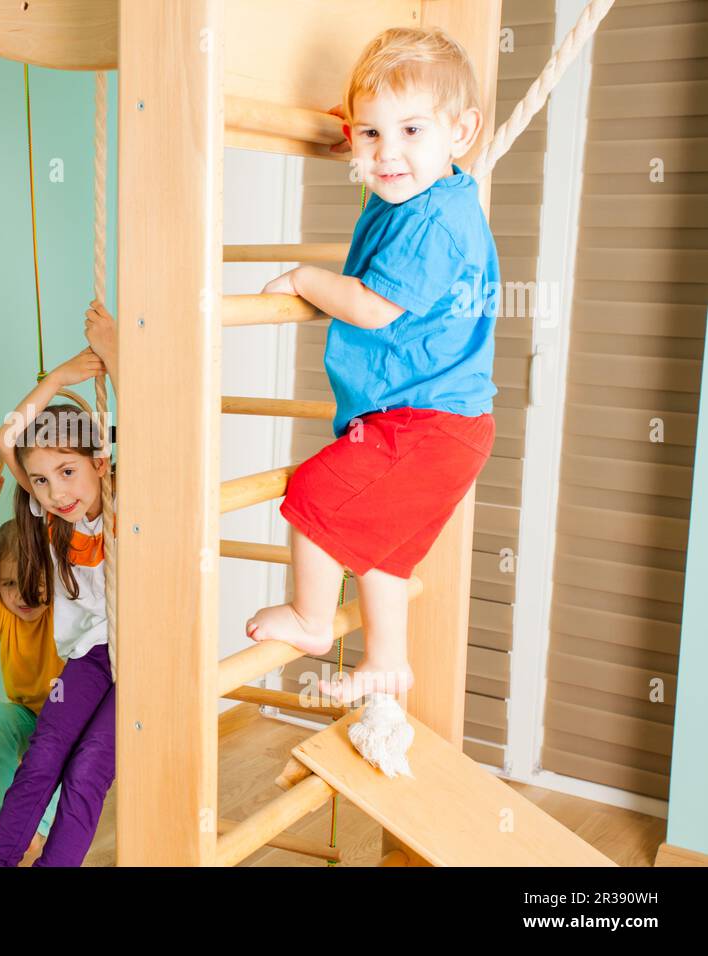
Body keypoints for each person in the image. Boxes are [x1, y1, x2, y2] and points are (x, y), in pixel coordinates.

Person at [245, 26, 499, 707]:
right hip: (444, 424)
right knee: (385, 551)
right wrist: (368, 141)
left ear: (462, 131)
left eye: (412, 130)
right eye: (370, 135)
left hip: (427, 425)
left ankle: (310, 619)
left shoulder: (435, 222)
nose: (388, 154)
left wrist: (303, 277)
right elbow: (390, 161)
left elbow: (372, 307)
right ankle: (387, 660)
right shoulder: (425, 191)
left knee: (313, 494)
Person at [0, 330, 118, 866]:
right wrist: (58, 378)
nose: (58, 493)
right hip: (89, 657)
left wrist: (118, 360)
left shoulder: (117, 505)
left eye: (67, 472)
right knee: (43, 758)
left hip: (139, 660)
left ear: (99, 464)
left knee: (88, 770)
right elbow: (7, 439)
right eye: (41, 480)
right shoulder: (49, 513)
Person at [0, 466, 65, 856]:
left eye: (32, 581)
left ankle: (31, 829)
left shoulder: (63, 607)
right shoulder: (6, 616)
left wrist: (44, 485)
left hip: (65, 722)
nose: (22, 595)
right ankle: (7, 819)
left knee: (55, 751)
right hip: (27, 714)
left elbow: (60, 541)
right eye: (9, 584)